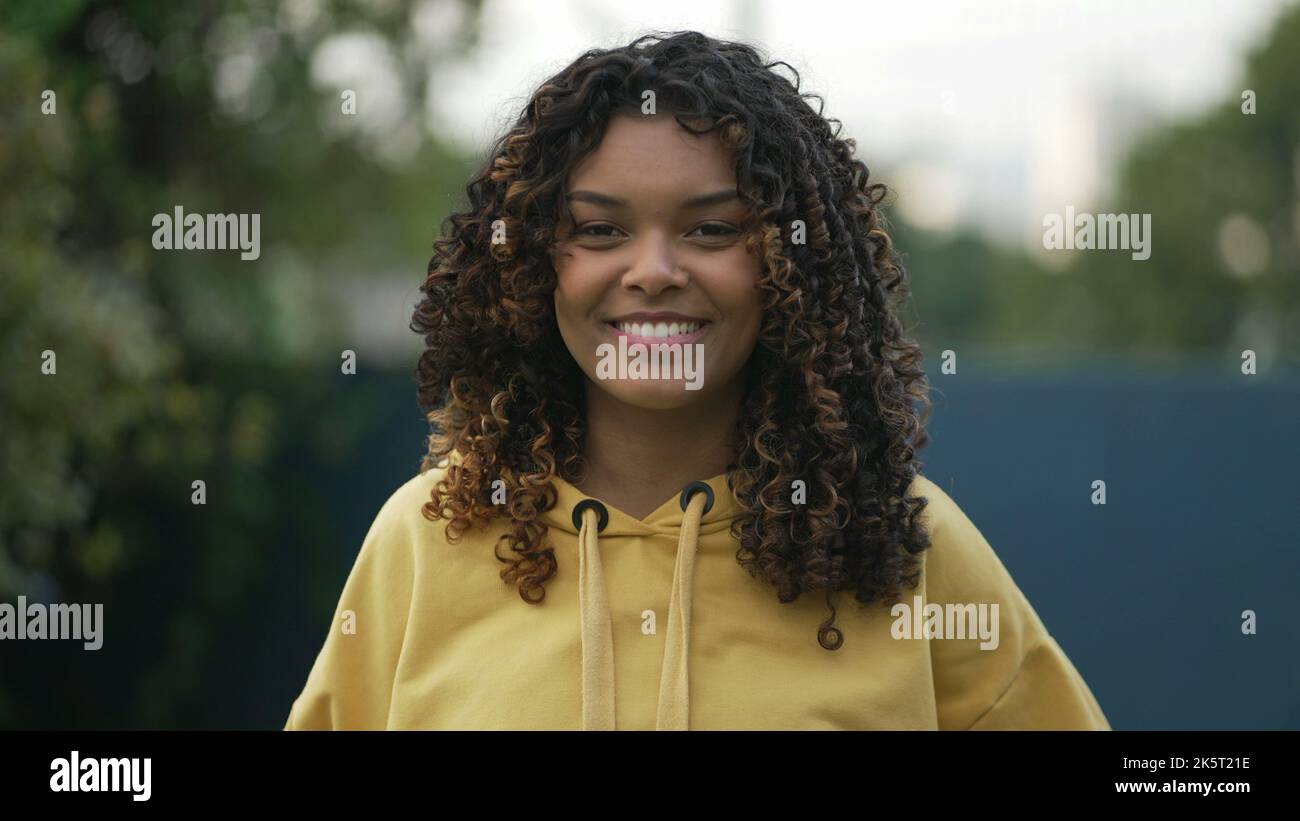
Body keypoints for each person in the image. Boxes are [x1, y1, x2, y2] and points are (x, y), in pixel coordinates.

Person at [284, 30, 1110, 730]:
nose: (653, 271)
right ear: (534, 264)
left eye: (711, 228)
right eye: (600, 229)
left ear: (789, 261)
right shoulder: (421, 543)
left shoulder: (902, 544)